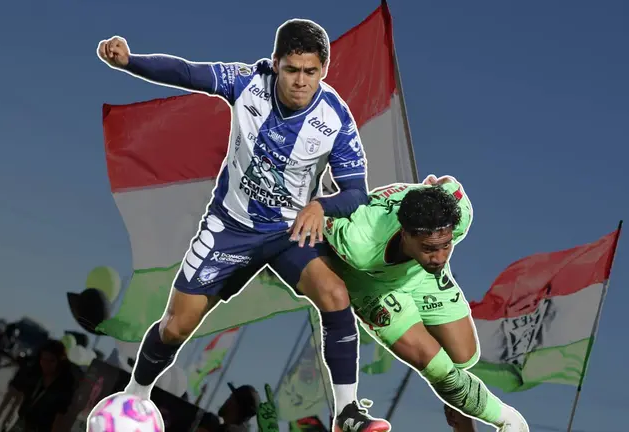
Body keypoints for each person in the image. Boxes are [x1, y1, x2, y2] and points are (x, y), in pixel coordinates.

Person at [96, 18, 390, 432]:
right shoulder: (248, 81)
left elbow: (357, 192)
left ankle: (346, 412)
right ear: (276, 63)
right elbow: (185, 71)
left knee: (335, 294)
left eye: (310, 72)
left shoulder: (336, 119)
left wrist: (323, 206)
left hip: (288, 234)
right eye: (291, 70)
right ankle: (137, 394)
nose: (300, 81)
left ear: (324, 70)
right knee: (176, 327)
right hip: (230, 228)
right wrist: (130, 62)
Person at [321, 175, 529, 431]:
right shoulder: (360, 243)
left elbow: (448, 183)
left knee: (465, 358)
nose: (440, 257)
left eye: (446, 246)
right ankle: (508, 419)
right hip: (372, 285)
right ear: (405, 234)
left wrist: (436, 186)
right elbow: (319, 218)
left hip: (422, 277)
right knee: (438, 367)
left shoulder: (459, 218)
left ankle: (456, 392)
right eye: (430, 249)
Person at [10, 339, 75, 432]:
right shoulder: (36, 374)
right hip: (24, 422)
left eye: (51, 361)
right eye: (43, 359)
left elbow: (60, 414)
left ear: (60, 361)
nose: (46, 364)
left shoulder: (64, 384)